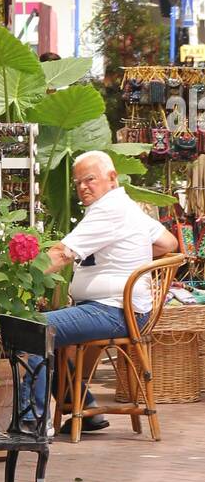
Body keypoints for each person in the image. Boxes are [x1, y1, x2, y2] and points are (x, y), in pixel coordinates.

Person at [26, 150, 178, 432]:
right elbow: (168, 243)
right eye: (78, 183)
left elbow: (61, 255)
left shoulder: (110, 210)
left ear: (112, 178)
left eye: (90, 179)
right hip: (120, 309)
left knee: (34, 328)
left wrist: (20, 277)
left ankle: (31, 421)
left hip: (113, 311)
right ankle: (88, 408)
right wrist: (132, 249)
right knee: (53, 331)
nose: (82, 187)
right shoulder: (127, 208)